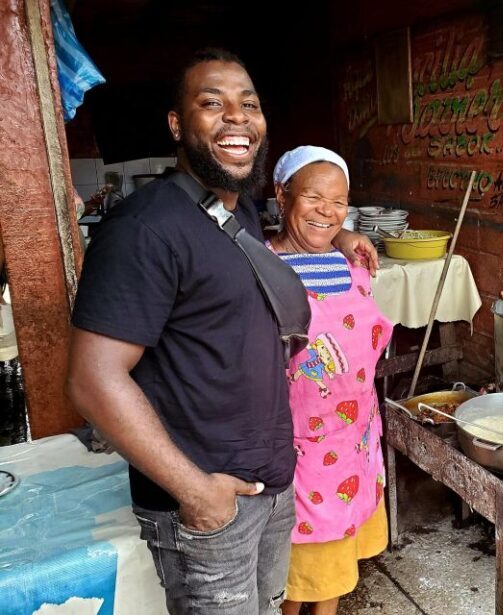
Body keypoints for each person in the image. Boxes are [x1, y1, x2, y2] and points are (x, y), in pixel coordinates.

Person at [66, 50, 376, 615]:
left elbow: (306, 220)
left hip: (274, 488)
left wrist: (345, 236)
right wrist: (195, 491)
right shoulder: (145, 228)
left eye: (248, 105)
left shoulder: (239, 213)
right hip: (208, 506)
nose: (236, 117)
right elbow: (93, 381)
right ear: (177, 125)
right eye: (212, 103)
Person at [266, 146, 393, 615]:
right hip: (296, 448)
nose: (327, 211)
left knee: (334, 566)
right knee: (293, 572)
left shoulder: (354, 264)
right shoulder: (258, 267)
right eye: (313, 197)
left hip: (354, 441)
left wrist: (344, 236)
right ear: (282, 195)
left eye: (338, 201)